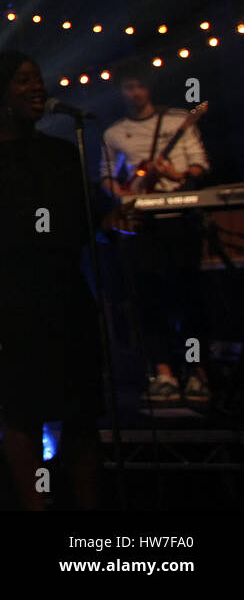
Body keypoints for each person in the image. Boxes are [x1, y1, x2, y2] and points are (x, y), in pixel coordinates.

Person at [0, 51, 102, 510]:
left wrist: (121, 212)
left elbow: (85, 221)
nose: (37, 88)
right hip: (11, 299)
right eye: (23, 81)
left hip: (66, 291)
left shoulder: (60, 153)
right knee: (23, 412)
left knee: (82, 414)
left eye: (38, 79)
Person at [99, 65, 211, 406]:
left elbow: (199, 164)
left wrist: (175, 173)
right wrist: (123, 197)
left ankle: (197, 371)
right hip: (143, 224)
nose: (134, 93)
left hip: (179, 217)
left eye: (139, 86)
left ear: (149, 89)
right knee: (149, 300)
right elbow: (106, 175)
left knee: (189, 298)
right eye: (128, 87)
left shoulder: (179, 120)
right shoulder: (114, 133)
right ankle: (163, 372)